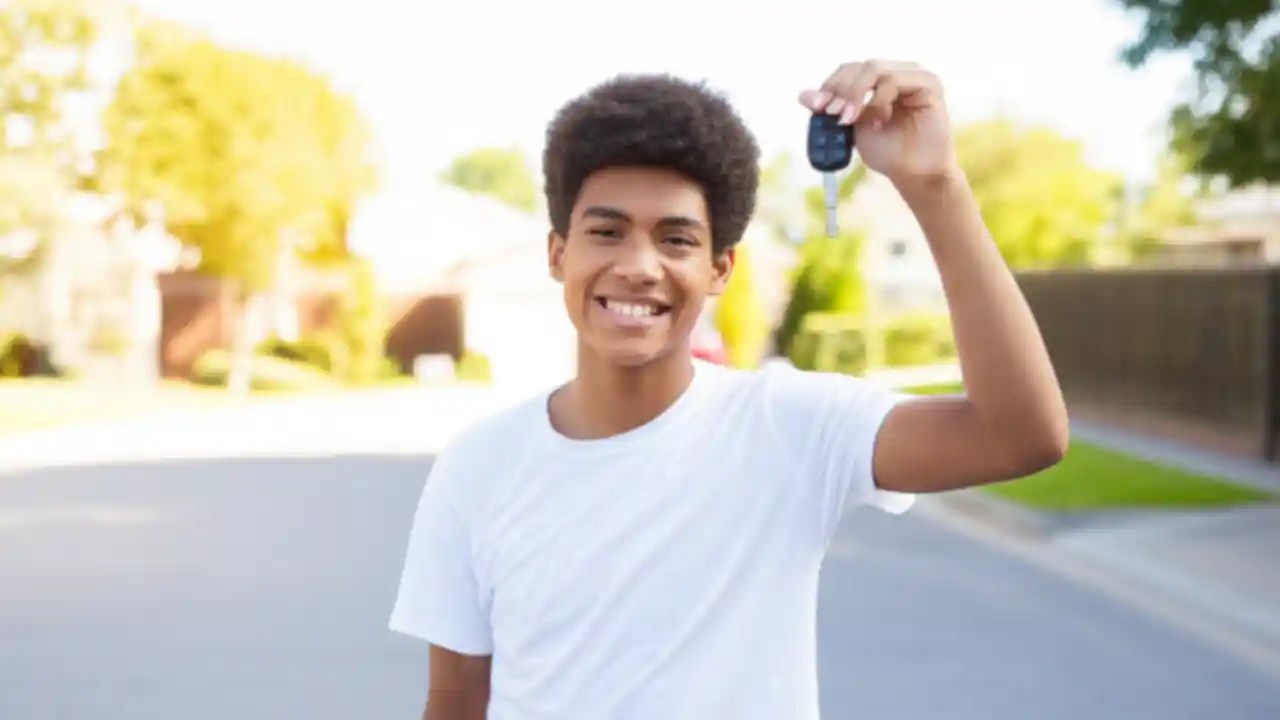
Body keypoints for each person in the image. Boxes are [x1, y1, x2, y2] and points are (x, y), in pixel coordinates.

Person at [389, 59, 1069, 719]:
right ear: (558, 254)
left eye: (675, 239)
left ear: (719, 269)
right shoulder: (478, 465)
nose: (638, 266)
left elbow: (1020, 436)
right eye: (607, 232)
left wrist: (937, 186)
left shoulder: (792, 427)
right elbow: (454, 706)